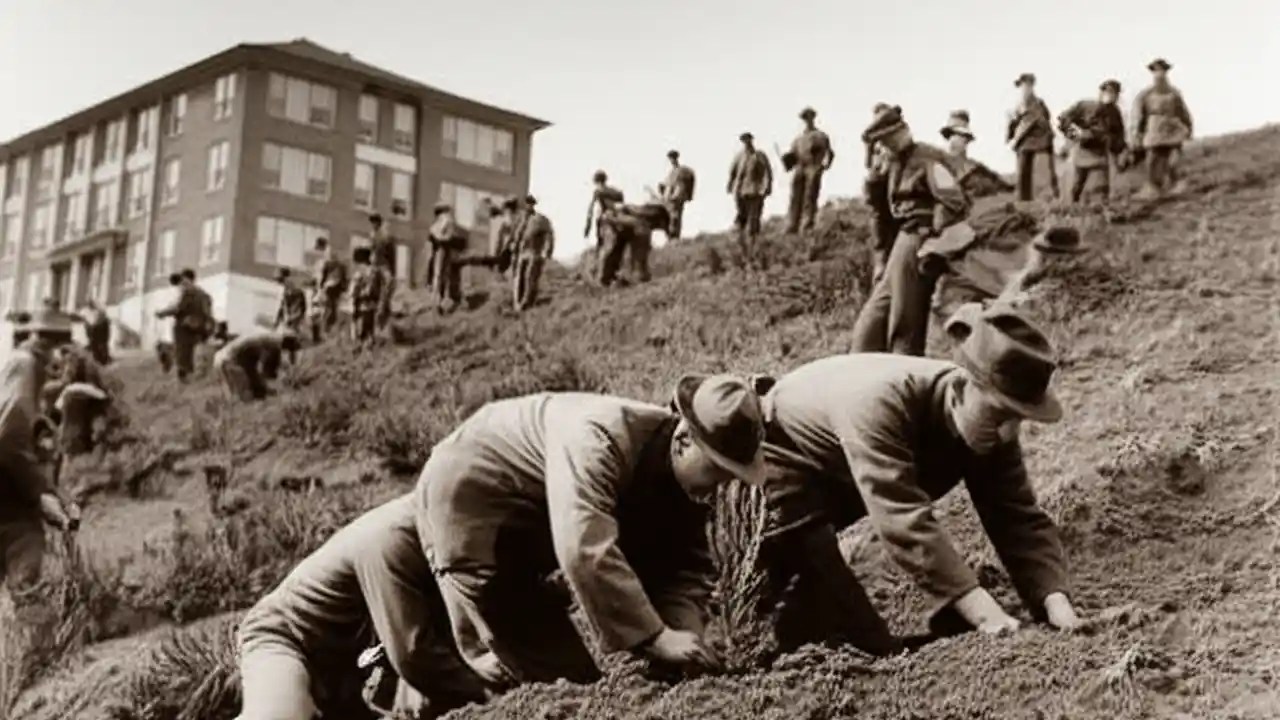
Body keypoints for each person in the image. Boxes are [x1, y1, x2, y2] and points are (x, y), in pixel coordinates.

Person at [759, 304, 1082, 656]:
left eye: (1020, 418)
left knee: (845, 619)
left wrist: (1055, 601)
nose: (1009, 432)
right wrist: (987, 615)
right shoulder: (879, 403)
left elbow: (1017, 515)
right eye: (1002, 414)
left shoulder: (986, 418)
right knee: (867, 644)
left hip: (843, 469)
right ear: (959, 389)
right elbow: (902, 519)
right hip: (780, 455)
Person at [415, 374, 768, 691]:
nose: (722, 486)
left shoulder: (676, 476)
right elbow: (582, 547)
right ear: (684, 440)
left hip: (536, 516)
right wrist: (657, 637)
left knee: (653, 669)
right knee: (566, 683)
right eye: (717, 471)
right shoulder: (598, 439)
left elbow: (682, 569)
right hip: (473, 505)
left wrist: (687, 639)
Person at [234, 494, 489, 720]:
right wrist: (486, 695)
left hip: (353, 666)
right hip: (286, 639)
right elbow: (412, 653)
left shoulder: (451, 540)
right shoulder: (390, 535)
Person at [851, 105, 972, 357]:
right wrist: (875, 177)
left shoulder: (927, 158)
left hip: (920, 238)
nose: (883, 147)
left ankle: (906, 377)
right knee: (872, 320)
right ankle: (862, 370)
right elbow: (881, 211)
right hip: (902, 240)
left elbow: (954, 202)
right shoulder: (893, 163)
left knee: (906, 322)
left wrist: (934, 242)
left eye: (886, 140)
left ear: (900, 133)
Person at [0, 307, 80, 619]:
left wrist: (55, 496)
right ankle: (36, 640)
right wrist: (40, 494)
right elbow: (9, 438)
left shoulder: (13, 363)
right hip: (9, 493)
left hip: (9, 484)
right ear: (55, 347)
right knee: (25, 544)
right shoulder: (27, 365)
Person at [1058, 80, 1129, 205]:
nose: (1111, 96)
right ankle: (1070, 210)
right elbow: (1063, 119)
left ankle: (1100, 211)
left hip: (1100, 156)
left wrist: (1121, 153)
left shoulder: (1115, 113)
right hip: (1082, 153)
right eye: (1108, 92)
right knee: (1076, 187)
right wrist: (1076, 135)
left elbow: (1119, 135)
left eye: (1115, 93)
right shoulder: (1085, 105)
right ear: (1101, 92)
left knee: (1101, 189)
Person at [1132, 58, 1193, 198]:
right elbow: (1138, 115)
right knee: (1153, 161)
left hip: (1173, 129)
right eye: (1156, 71)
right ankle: (1153, 188)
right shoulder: (1145, 94)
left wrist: (1188, 126)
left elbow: (1183, 111)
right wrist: (1137, 134)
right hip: (1154, 130)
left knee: (1174, 161)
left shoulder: (1174, 93)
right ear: (1152, 74)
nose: (1159, 74)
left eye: (1162, 71)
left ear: (1166, 73)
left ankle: (1177, 186)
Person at [1006, 73, 1060, 202]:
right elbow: (1013, 123)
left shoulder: (1036, 103)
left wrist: (1014, 140)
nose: (1024, 88)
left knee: (1043, 172)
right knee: (1022, 174)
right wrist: (1010, 136)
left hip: (1039, 141)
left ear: (1031, 86)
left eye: (1026, 85)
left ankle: (1051, 198)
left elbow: (1028, 122)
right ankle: (1024, 201)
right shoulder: (1019, 104)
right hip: (1025, 143)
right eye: (1021, 86)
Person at [784, 107, 835, 235]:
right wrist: (787, 161)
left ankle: (807, 225)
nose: (807, 120)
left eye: (809, 117)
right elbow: (793, 155)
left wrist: (824, 166)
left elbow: (830, 153)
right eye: (805, 118)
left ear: (813, 118)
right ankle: (792, 225)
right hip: (800, 168)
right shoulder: (798, 139)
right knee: (795, 197)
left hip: (813, 167)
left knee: (810, 197)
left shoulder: (821, 136)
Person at [941, 111, 1015, 198]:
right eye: (951, 135)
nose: (954, 140)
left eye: (962, 136)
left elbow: (1005, 188)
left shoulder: (977, 168)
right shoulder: (938, 166)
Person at [212, 329, 301, 402]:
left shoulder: (268, 338)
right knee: (244, 397)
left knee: (249, 394)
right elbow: (261, 370)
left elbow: (255, 370)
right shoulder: (270, 343)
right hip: (227, 360)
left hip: (223, 358)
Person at [727, 132, 773, 259]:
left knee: (754, 218)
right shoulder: (739, 157)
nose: (746, 143)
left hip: (755, 191)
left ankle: (754, 246)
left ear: (752, 141)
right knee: (741, 218)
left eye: (748, 140)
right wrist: (730, 185)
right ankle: (739, 244)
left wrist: (767, 187)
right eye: (744, 141)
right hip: (740, 192)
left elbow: (767, 172)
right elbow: (732, 172)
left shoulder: (759, 156)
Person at [155, 272, 208, 382]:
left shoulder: (189, 293)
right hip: (198, 328)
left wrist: (162, 313)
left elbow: (177, 309)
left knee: (183, 353)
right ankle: (188, 374)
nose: (182, 286)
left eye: (184, 282)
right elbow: (206, 311)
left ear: (189, 280)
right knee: (189, 352)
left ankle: (183, 376)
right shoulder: (203, 294)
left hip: (185, 327)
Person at [514, 195, 555, 312]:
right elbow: (517, 237)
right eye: (525, 204)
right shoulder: (521, 220)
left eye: (530, 204)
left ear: (533, 205)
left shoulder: (540, 220)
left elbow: (549, 235)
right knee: (519, 279)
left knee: (530, 278)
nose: (527, 206)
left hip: (534, 252)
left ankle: (527, 304)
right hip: (522, 253)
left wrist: (548, 251)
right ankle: (518, 304)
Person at [428, 203, 466, 315]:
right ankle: (441, 301)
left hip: (443, 248)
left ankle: (440, 301)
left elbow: (439, 235)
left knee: (440, 275)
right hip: (444, 249)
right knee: (443, 275)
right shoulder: (446, 221)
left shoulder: (444, 220)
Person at [310, 236, 348, 342]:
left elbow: (330, 271)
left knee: (326, 309)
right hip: (330, 286)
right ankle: (323, 331)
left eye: (318, 247)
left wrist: (322, 285)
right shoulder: (329, 256)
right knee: (327, 308)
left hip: (330, 286)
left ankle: (324, 331)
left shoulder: (328, 256)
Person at [349, 246, 384, 349]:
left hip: (360, 302)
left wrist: (352, 296)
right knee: (369, 324)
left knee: (358, 324)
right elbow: (380, 288)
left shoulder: (359, 272)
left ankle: (359, 344)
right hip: (372, 302)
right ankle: (369, 342)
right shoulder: (375, 271)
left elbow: (353, 289)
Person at [369, 213, 397, 331]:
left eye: (374, 222)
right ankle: (379, 315)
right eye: (372, 223)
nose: (373, 225)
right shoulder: (374, 235)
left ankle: (382, 313)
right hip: (378, 266)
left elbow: (391, 255)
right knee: (378, 291)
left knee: (386, 290)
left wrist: (392, 270)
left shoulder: (384, 236)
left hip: (382, 266)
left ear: (378, 222)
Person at [661, 150, 697, 240]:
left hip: (676, 199)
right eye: (670, 158)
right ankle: (672, 237)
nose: (671, 160)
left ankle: (675, 237)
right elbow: (668, 186)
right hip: (670, 199)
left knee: (675, 218)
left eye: (672, 158)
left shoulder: (680, 171)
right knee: (671, 218)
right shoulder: (671, 172)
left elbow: (680, 186)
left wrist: (675, 196)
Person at [181, 268, 216, 342]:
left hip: (198, 334)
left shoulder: (201, 296)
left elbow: (207, 315)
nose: (184, 286)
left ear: (192, 281)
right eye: (183, 284)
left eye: (186, 283)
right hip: (185, 334)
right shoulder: (185, 297)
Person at [273, 268, 308, 336]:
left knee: (291, 332)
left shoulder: (294, 291)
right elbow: (281, 307)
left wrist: (289, 319)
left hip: (293, 322)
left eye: (281, 281)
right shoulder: (287, 290)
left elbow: (300, 310)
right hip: (291, 321)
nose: (280, 284)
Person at [79, 299, 111, 366]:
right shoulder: (86, 311)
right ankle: (98, 359)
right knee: (94, 344)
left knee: (100, 345)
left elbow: (103, 320)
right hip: (93, 330)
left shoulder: (99, 311)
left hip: (98, 330)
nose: (91, 305)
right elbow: (83, 318)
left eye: (91, 303)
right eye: (89, 303)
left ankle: (102, 359)